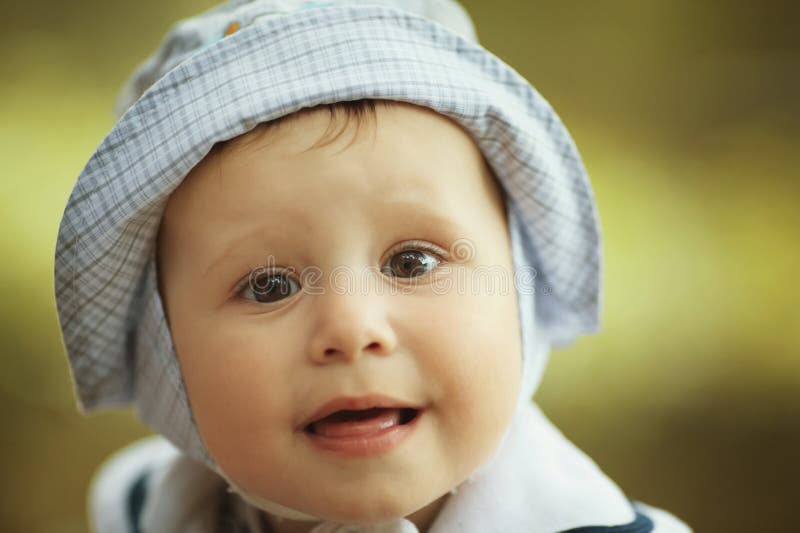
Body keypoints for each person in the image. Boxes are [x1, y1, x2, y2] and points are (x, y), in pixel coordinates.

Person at [54, 1, 692, 531]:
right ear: (165, 355)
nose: (352, 328)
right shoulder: (140, 508)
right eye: (269, 285)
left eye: (412, 262)